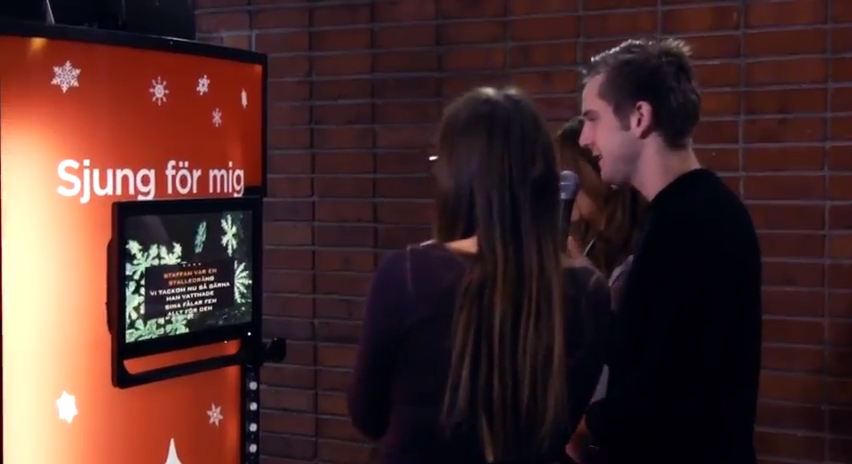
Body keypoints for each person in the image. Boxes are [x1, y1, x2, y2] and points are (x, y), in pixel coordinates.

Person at [347, 87, 612, 464]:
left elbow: (367, 417)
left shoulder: (407, 275)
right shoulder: (589, 292)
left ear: (457, 178)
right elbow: (562, 427)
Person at [566, 38, 762, 464]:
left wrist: (586, 428)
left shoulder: (691, 222)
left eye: (592, 119)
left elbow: (665, 384)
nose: (584, 137)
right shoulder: (690, 211)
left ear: (639, 117)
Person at [555, 117, 648, 308]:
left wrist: (593, 285)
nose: (560, 186)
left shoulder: (639, 250)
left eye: (566, 173)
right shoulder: (588, 240)